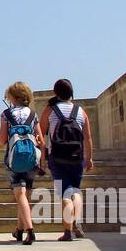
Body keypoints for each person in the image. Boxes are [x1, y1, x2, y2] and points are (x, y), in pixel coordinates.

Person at [39, 78, 94, 241]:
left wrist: (42, 159)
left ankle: (68, 231)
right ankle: (77, 224)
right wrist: (89, 158)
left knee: (64, 194)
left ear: (55, 93)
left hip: (57, 159)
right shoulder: (80, 111)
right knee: (76, 191)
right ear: (71, 93)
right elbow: (88, 138)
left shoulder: (50, 111)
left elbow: (40, 136)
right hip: (77, 157)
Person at [0, 81, 46, 245]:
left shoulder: (6, 114)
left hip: (14, 159)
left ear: (14, 97)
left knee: (20, 195)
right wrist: (43, 163)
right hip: (31, 159)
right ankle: (19, 230)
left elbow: (2, 139)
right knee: (24, 196)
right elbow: (41, 141)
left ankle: (30, 230)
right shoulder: (33, 114)